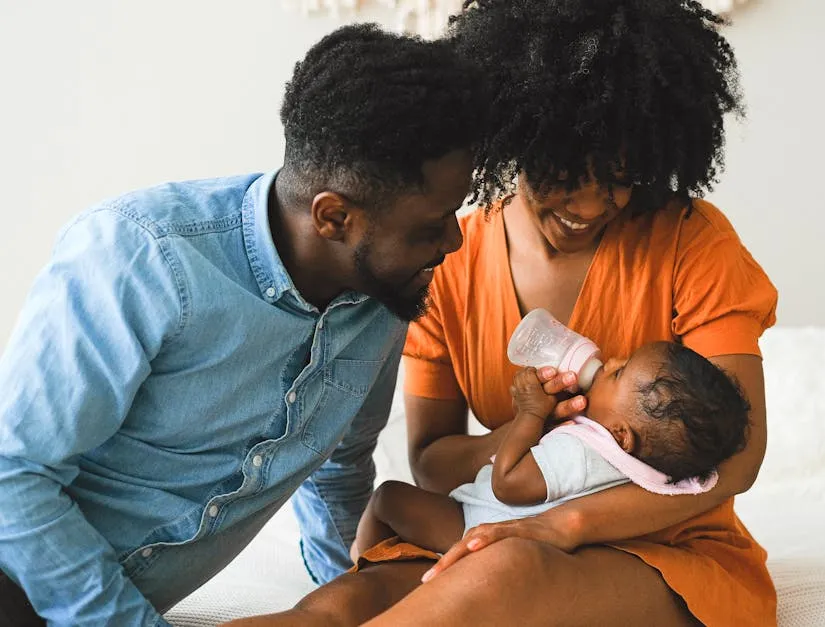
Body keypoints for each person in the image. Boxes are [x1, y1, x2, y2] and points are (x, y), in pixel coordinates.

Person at [230, 0, 779, 625]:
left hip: (665, 544)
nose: (594, 204)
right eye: (566, 173)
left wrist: (560, 524)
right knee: (335, 607)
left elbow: (739, 457)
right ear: (515, 138)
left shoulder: (690, 241)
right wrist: (524, 430)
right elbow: (433, 463)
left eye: (621, 177)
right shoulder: (447, 263)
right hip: (497, 522)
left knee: (507, 570)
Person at [0, 24, 485, 626]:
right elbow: (13, 473)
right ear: (335, 216)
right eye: (430, 225)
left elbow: (338, 467)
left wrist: (366, 598)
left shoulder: (382, 298)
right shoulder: (141, 257)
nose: (454, 240)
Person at [352, 341, 751, 559]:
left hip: (475, 521)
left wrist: (529, 414)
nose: (609, 359)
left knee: (388, 498)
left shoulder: (581, 453)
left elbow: (507, 485)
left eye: (618, 372)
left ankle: (357, 566)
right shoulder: (644, 467)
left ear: (621, 434)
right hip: (534, 550)